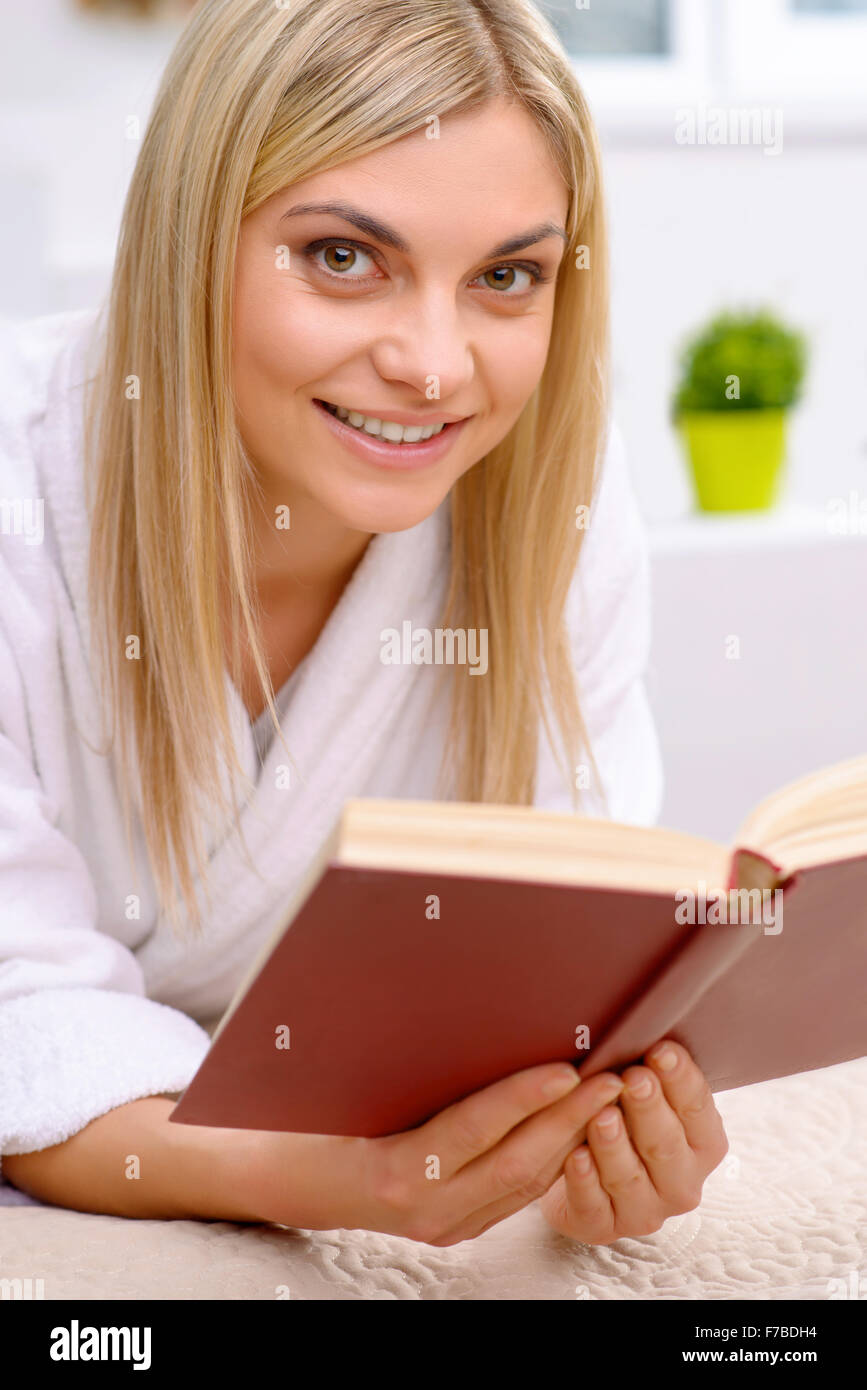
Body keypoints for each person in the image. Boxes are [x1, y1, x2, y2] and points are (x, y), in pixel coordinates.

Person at [0, 0, 727, 1248]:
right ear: (191, 237)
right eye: (344, 257)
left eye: (507, 277)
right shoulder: (24, 489)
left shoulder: (552, 492)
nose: (436, 365)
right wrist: (333, 1181)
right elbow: (20, 1026)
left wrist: (588, 1124)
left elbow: (565, 941)